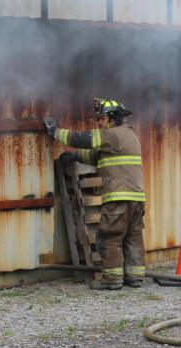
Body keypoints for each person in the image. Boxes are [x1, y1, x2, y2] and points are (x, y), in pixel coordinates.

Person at [44, 97, 146, 290]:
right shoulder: (128, 135)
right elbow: (97, 156)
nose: (99, 123)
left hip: (118, 198)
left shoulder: (112, 134)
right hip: (137, 199)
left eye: (101, 119)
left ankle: (111, 280)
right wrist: (74, 156)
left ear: (112, 118)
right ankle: (135, 277)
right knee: (133, 237)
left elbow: (85, 140)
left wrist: (55, 132)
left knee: (110, 237)